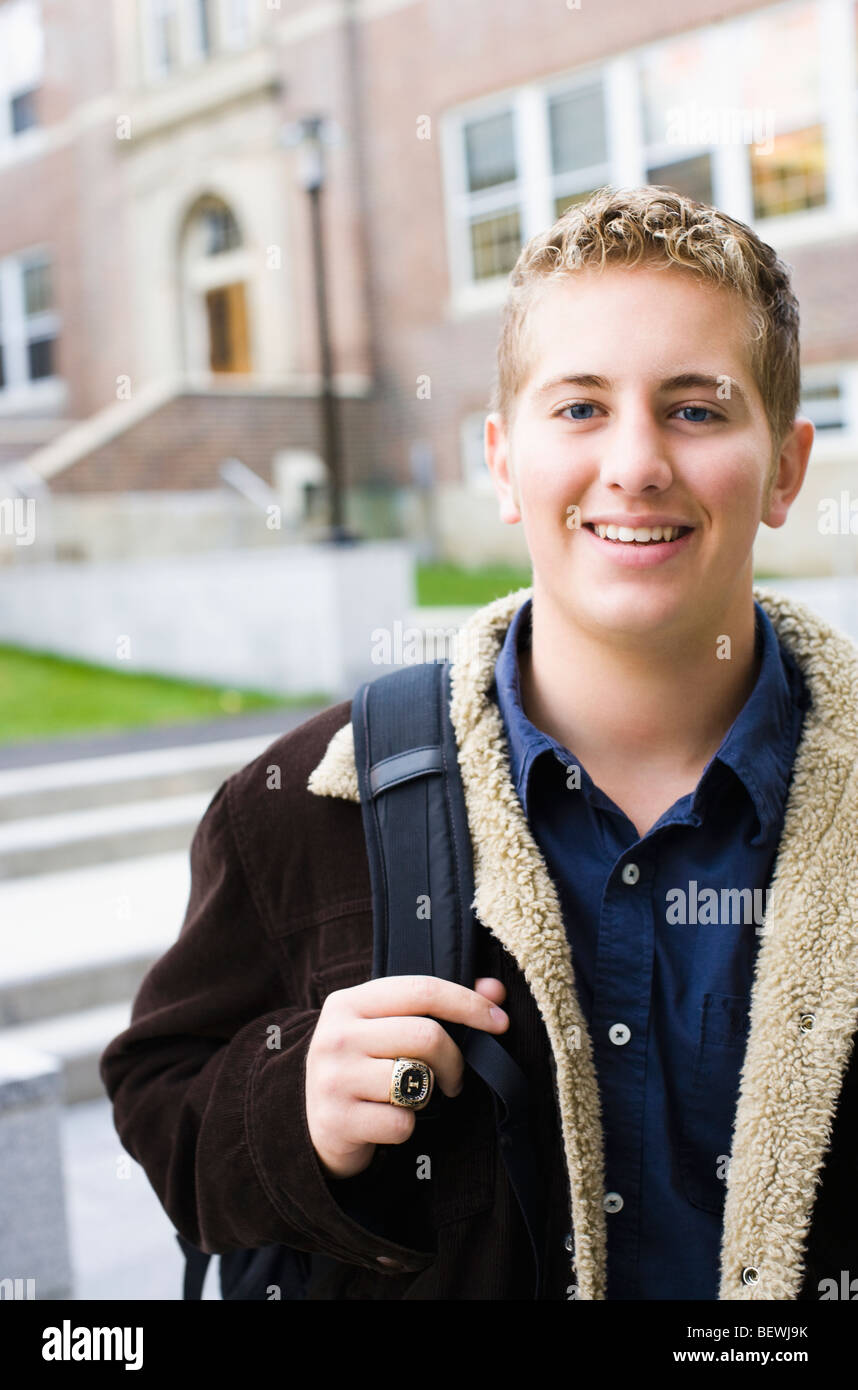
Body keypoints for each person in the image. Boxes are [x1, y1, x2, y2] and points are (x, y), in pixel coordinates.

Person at [100, 186, 858, 1301]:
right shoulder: (304, 802)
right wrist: (288, 1101)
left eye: (696, 409)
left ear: (785, 465)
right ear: (501, 461)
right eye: (579, 408)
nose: (635, 462)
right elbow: (159, 1094)